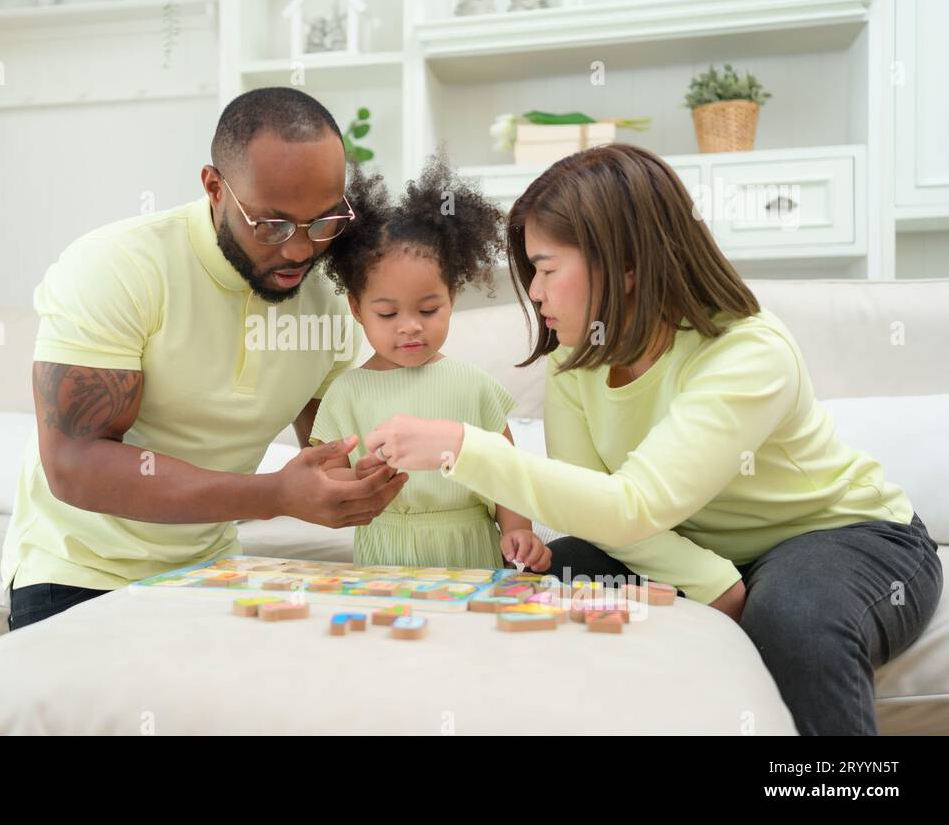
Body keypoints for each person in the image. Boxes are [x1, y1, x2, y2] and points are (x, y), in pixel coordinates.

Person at [364, 143, 942, 735]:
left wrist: (461, 446)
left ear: (626, 264)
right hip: (688, 542)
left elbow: (633, 504)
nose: (534, 292)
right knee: (537, 583)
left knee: (794, 618)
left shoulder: (748, 351)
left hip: (842, 537)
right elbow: (594, 507)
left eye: (546, 267)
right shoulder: (574, 359)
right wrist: (711, 583)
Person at [1, 87, 408, 631]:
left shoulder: (331, 301)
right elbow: (75, 467)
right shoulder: (119, 266)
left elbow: (327, 452)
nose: (299, 251)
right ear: (214, 187)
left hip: (212, 572)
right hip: (79, 575)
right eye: (273, 225)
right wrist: (274, 495)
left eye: (324, 222)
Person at [310, 155, 546, 571]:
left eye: (429, 309)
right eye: (387, 314)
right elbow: (325, 486)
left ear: (451, 299)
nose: (410, 328)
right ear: (357, 308)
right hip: (386, 548)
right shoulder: (345, 393)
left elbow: (506, 473)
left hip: (469, 544)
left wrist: (517, 531)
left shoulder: (473, 386)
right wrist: (358, 481)